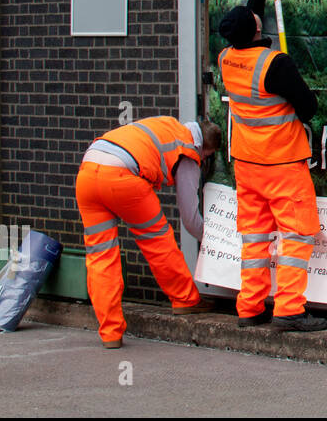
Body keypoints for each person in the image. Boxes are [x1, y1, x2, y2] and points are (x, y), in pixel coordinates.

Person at [218, 0, 327, 332]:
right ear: (256, 30)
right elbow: (309, 108)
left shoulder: (227, 59)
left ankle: (249, 308)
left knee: (255, 238)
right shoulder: (276, 65)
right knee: (296, 236)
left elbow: (247, 19)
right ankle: (289, 311)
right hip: (282, 165)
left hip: (247, 167)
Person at [76, 116, 222, 348]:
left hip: (87, 173)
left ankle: (110, 333)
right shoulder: (189, 153)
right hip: (122, 177)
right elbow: (190, 218)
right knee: (158, 241)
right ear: (206, 150)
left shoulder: (169, 125)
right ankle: (185, 299)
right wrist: (215, 241)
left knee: (100, 256)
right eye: (207, 157)